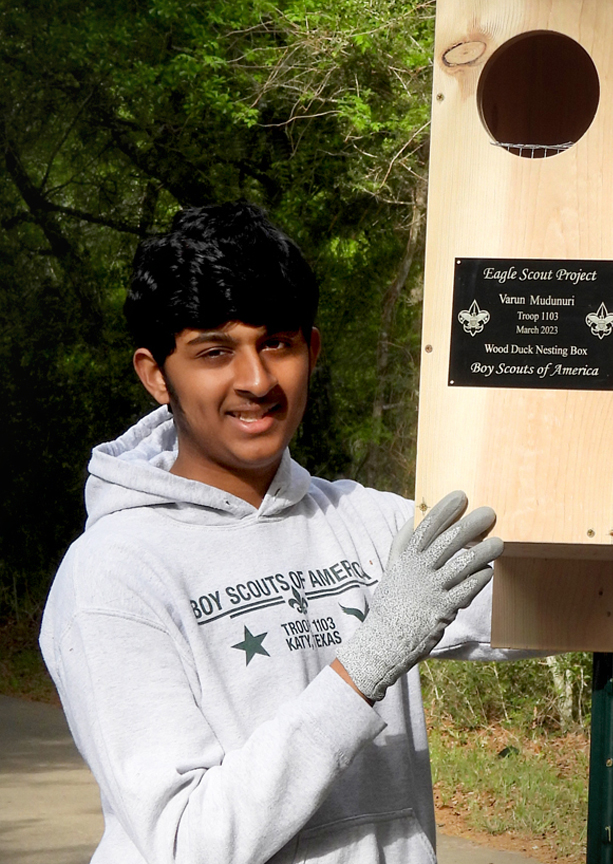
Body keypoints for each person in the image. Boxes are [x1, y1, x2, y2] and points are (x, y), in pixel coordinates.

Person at [40, 201, 507, 864]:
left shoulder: (369, 525)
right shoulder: (113, 573)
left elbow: (559, 605)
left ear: (310, 350)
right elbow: (186, 842)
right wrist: (368, 663)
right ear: (155, 374)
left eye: (277, 343)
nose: (256, 381)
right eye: (215, 351)